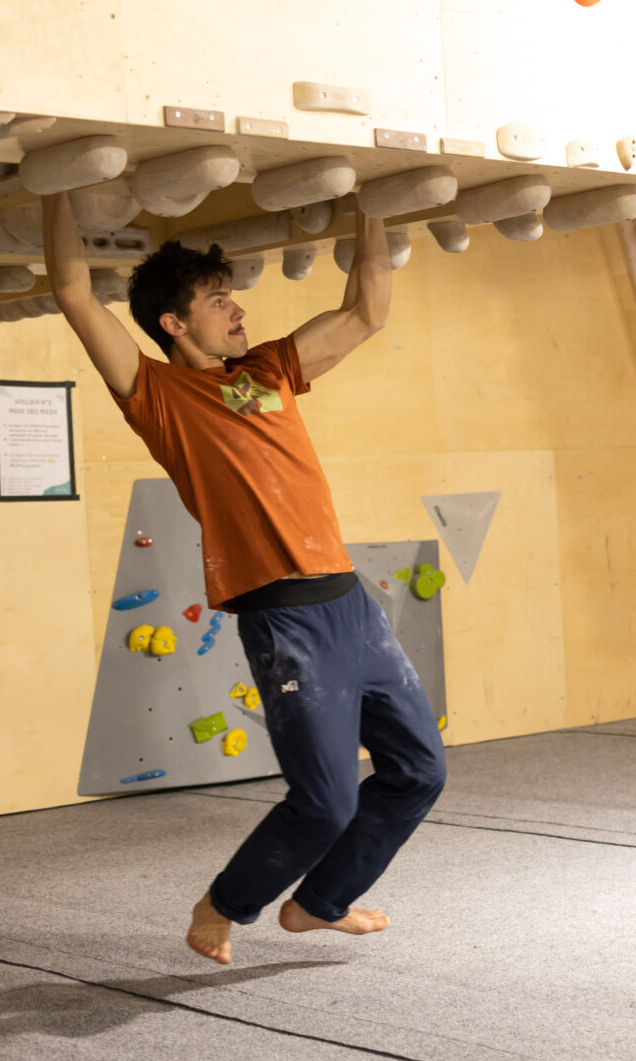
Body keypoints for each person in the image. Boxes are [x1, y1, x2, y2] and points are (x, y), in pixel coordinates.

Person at [42, 191, 446, 966]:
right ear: (174, 323)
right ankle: (223, 903)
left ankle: (320, 902)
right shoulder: (157, 396)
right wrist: (56, 187)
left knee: (420, 770)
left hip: (349, 603)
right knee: (325, 799)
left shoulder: (269, 369)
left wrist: (372, 201)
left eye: (232, 295)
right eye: (217, 299)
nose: (236, 308)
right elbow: (70, 290)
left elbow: (367, 310)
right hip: (286, 620)